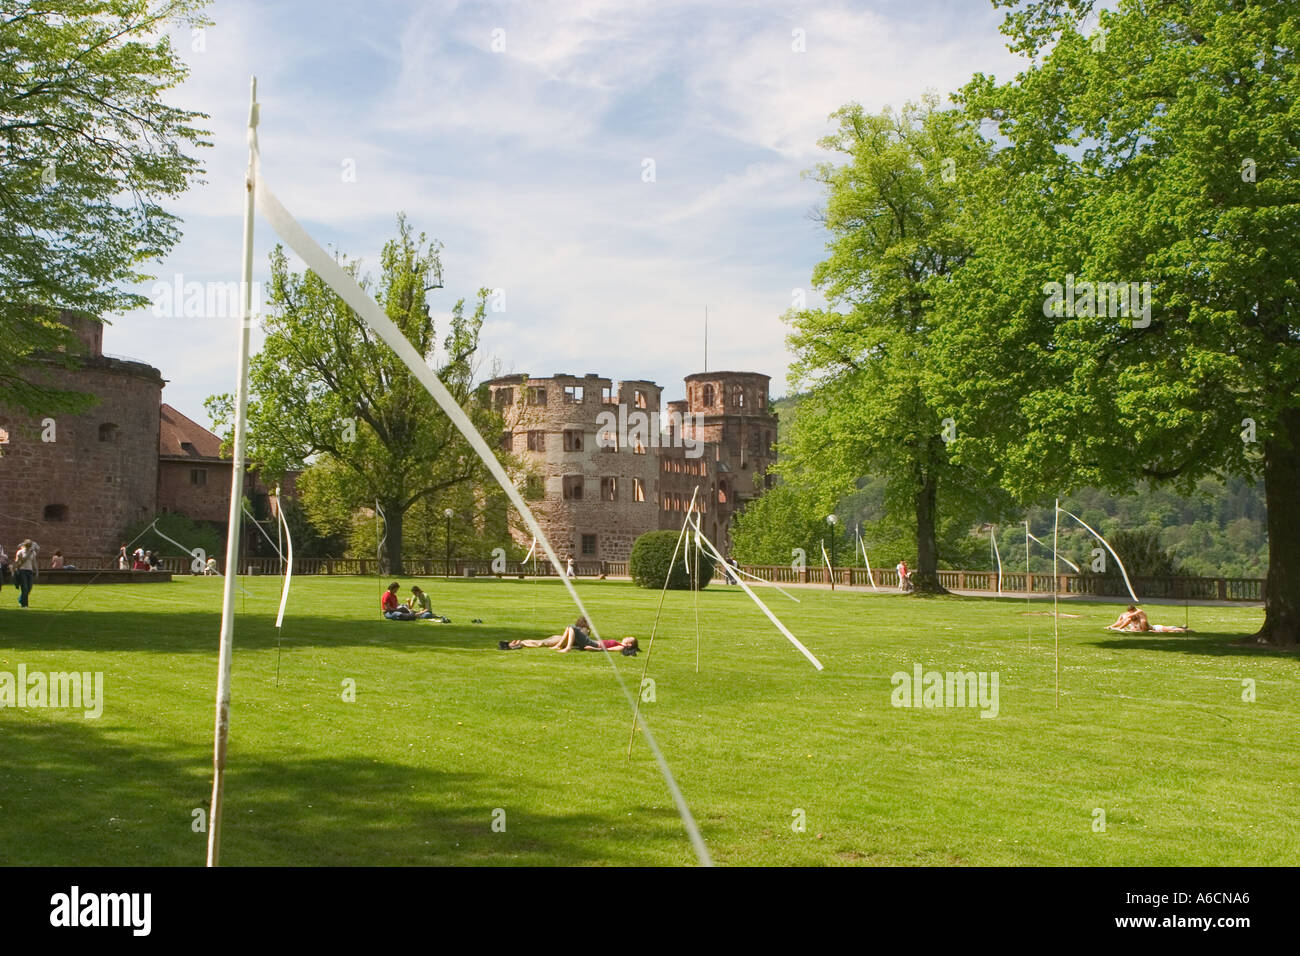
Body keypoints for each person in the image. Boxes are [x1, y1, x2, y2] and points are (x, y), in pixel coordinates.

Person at [499, 617, 595, 651]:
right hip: (560, 640)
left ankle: (517, 643)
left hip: (559, 637)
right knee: (541, 643)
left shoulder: (580, 628)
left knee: (541, 642)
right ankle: (518, 644)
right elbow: (583, 641)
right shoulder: (584, 629)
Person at [1106, 605, 1188, 634]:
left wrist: (1119, 628)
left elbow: (1128, 618)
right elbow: (1120, 622)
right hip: (1153, 628)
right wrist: (1111, 626)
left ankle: (1185, 629)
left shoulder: (1139, 612)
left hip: (1154, 627)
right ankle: (1182, 629)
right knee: (1171, 630)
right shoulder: (1129, 616)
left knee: (1171, 630)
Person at [14, 539, 39, 608]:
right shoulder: (20, 552)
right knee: (24, 587)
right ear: (25, 546)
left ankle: (20, 599)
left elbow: (34, 562)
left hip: (29, 571)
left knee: (29, 587)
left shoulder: (33, 553)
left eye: (30, 546)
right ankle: (24, 605)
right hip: (22, 571)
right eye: (28, 546)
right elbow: (21, 560)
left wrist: (36, 571)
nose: (29, 547)